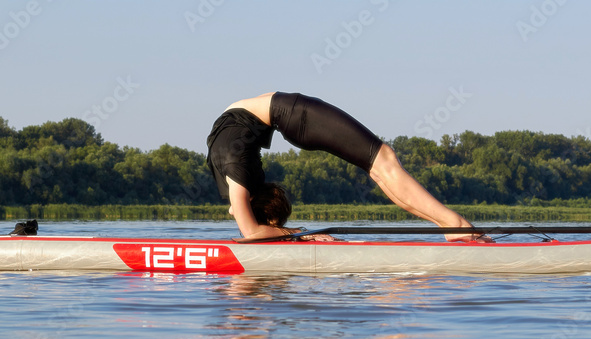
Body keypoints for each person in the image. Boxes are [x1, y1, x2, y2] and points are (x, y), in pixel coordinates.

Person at [205, 91, 485, 242]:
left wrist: (298, 236)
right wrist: (295, 237)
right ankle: (453, 227)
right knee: (380, 163)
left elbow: (251, 231)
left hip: (292, 115)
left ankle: (453, 226)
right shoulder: (238, 181)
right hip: (286, 116)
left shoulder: (237, 175)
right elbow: (249, 227)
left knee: (381, 163)